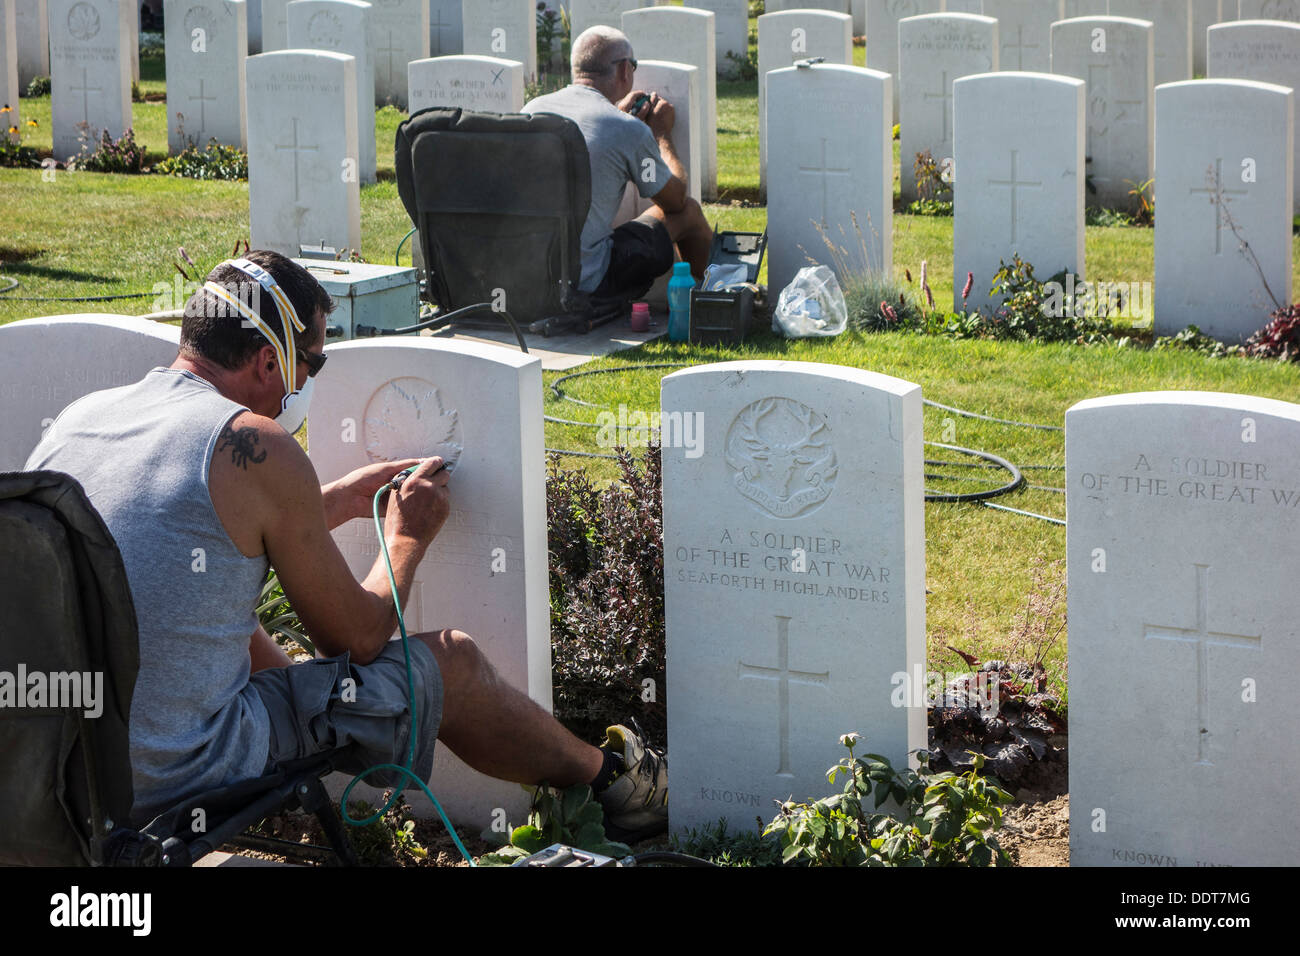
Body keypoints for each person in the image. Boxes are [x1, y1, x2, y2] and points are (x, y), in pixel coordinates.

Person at [24, 251, 666, 842]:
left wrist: (325, 503)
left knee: (224, 619)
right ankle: (611, 779)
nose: (307, 379)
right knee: (450, 663)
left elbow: (182, 546)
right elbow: (355, 640)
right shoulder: (254, 443)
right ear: (269, 360)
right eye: (314, 361)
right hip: (176, 771)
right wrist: (406, 537)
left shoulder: (84, 416)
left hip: (55, 765)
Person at [522, 25, 713, 302]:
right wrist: (660, 134)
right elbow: (675, 199)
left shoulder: (532, 109)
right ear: (625, 70)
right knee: (689, 212)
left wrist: (616, 118)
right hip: (587, 281)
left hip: (527, 272)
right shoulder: (625, 129)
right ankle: (717, 296)